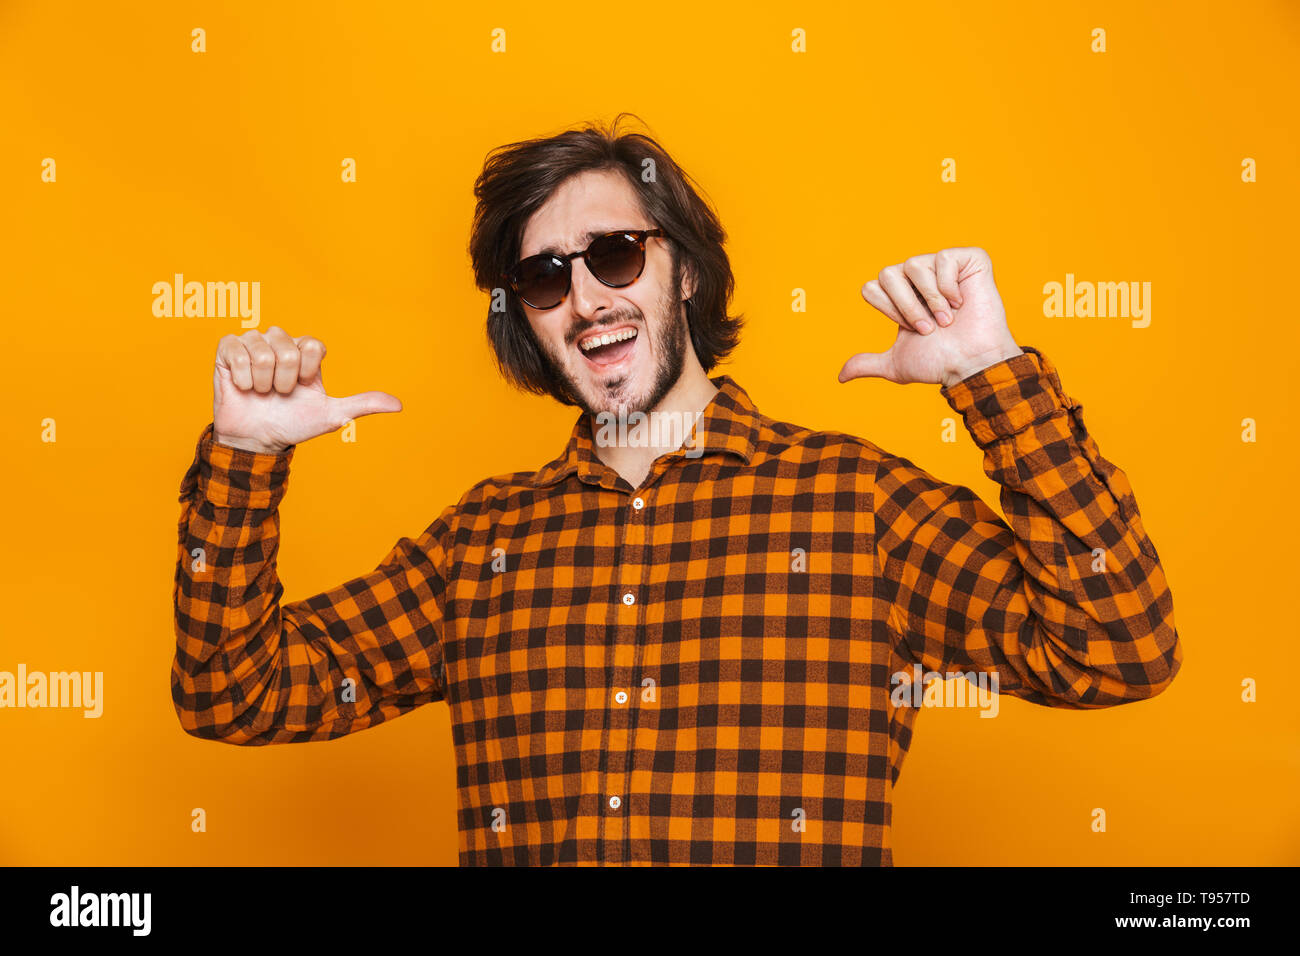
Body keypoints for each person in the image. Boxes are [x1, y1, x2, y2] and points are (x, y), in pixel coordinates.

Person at [172, 116, 1181, 865]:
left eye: (615, 253)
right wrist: (244, 458)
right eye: (544, 278)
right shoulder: (480, 542)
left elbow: (1119, 647)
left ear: (684, 272)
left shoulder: (853, 504)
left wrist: (988, 373)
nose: (587, 298)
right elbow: (234, 692)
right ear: (524, 315)